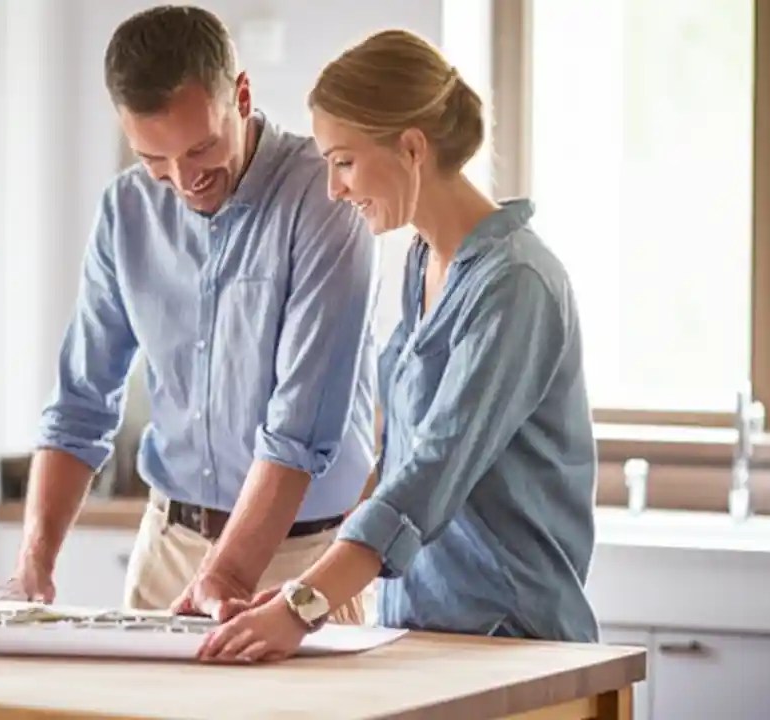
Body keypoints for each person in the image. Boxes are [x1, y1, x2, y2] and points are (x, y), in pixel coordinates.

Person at [198, 29, 599, 663]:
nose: (333, 189)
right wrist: (304, 595)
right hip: (422, 635)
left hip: (514, 642)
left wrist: (304, 605)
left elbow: (428, 477)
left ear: (411, 147)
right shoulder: (422, 264)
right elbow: (392, 463)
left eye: (344, 161)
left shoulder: (516, 283)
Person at [0, 5, 377, 624]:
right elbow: (80, 404)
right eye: (153, 157)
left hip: (299, 561)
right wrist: (33, 565)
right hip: (168, 547)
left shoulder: (325, 198)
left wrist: (225, 574)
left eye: (201, 147)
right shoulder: (127, 210)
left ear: (242, 95)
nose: (183, 178)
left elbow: (300, 429)